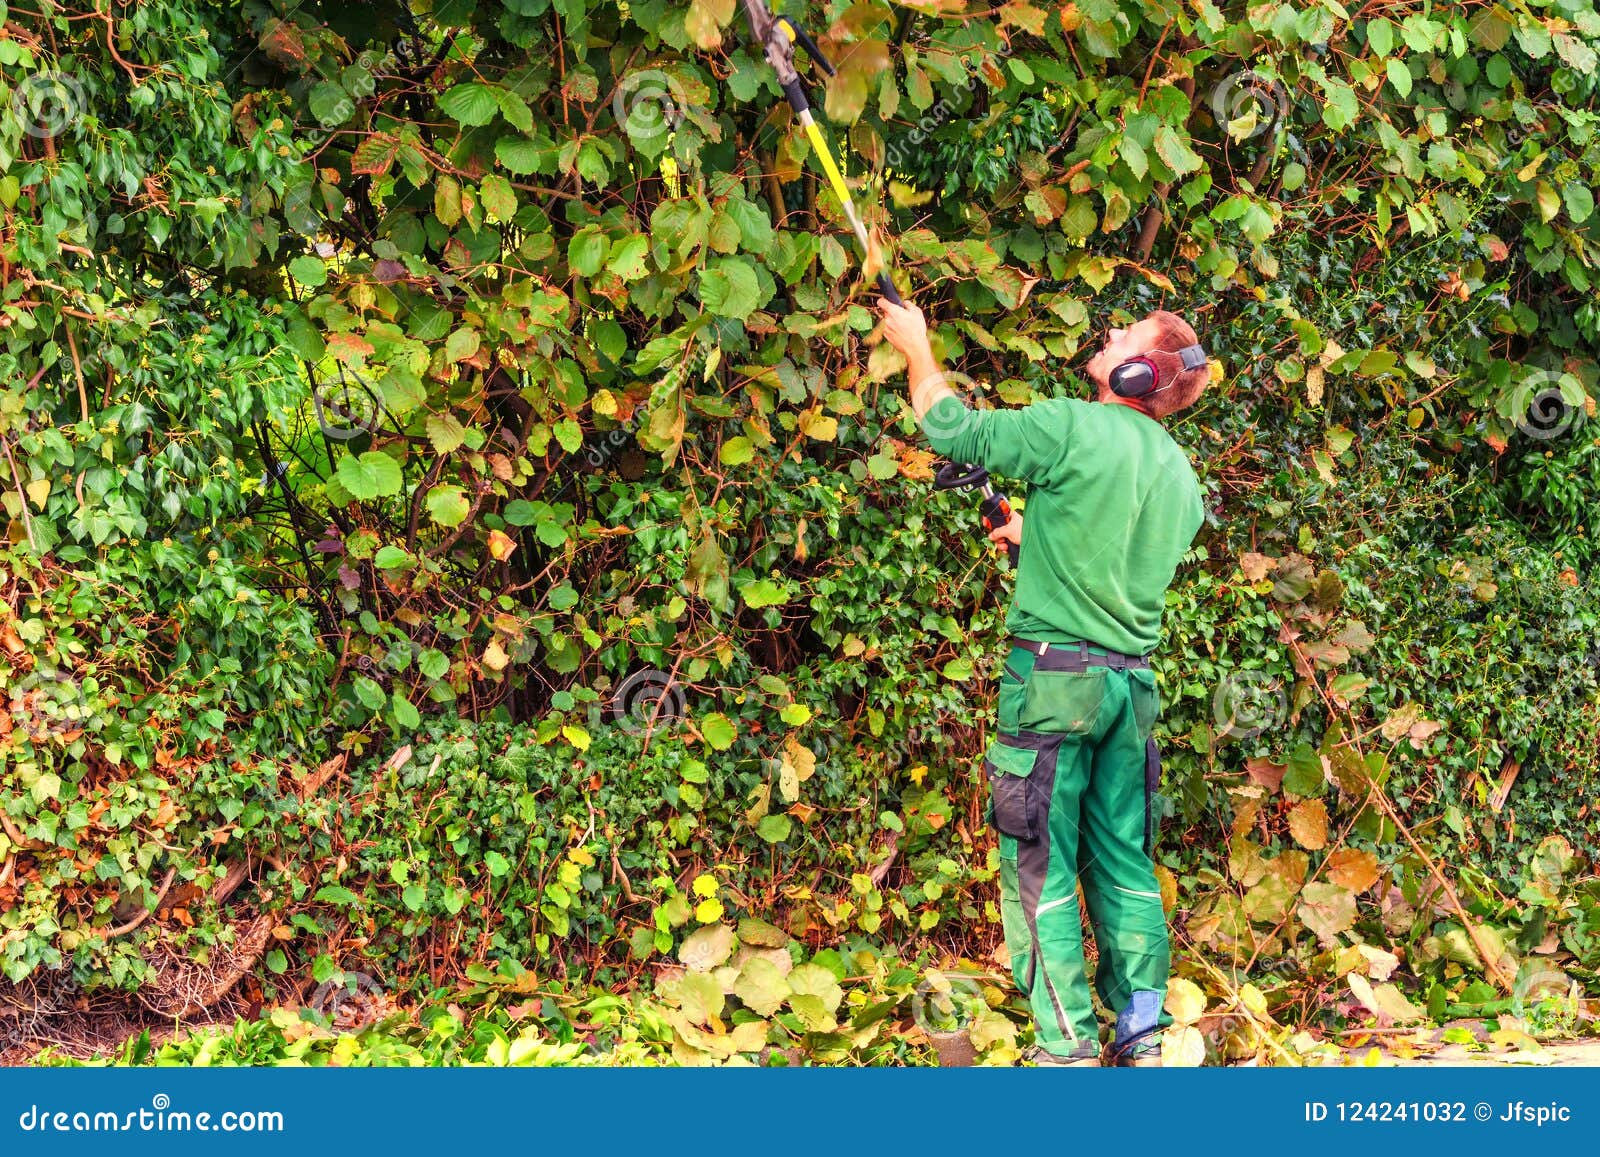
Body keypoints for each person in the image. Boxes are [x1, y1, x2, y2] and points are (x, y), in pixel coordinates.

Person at [877, 297, 1209, 1068]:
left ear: (1135, 371)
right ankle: (1143, 1038)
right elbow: (1113, 550)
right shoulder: (1179, 475)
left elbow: (954, 428)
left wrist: (917, 348)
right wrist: (1039, 532)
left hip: (1054, 685)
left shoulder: (1073, 425)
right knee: (1124, 862)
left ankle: (1067, 1053)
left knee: (1040, 865)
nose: (1110, 335)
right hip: (1129, 692)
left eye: (1124, 336)